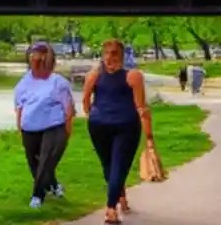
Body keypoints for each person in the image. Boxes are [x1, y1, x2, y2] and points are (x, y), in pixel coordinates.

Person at [83, 39, 153, 224]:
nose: (110, 57)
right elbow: (141, 107)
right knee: (115, 165)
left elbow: (85, 103)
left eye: (112, 53)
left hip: (109, 125)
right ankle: (111, 207)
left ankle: (116, 200)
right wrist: (149, 137)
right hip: (116, 125)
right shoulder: (129, 76)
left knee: (112, 165)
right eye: (109, 53)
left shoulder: (98, 75)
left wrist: (96, 115)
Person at [14, 42, 74, 209]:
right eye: (34, 57)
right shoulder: (24, 82)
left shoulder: (58, 82)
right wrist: (19, 127)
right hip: (29, 129)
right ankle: (53, 186)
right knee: (35, 164)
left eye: (41, 57)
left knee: (46, 161)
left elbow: (68, 109)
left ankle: (37, 195)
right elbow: (19, 106)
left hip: (54, 127)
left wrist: (67, 131)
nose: (37, 61)